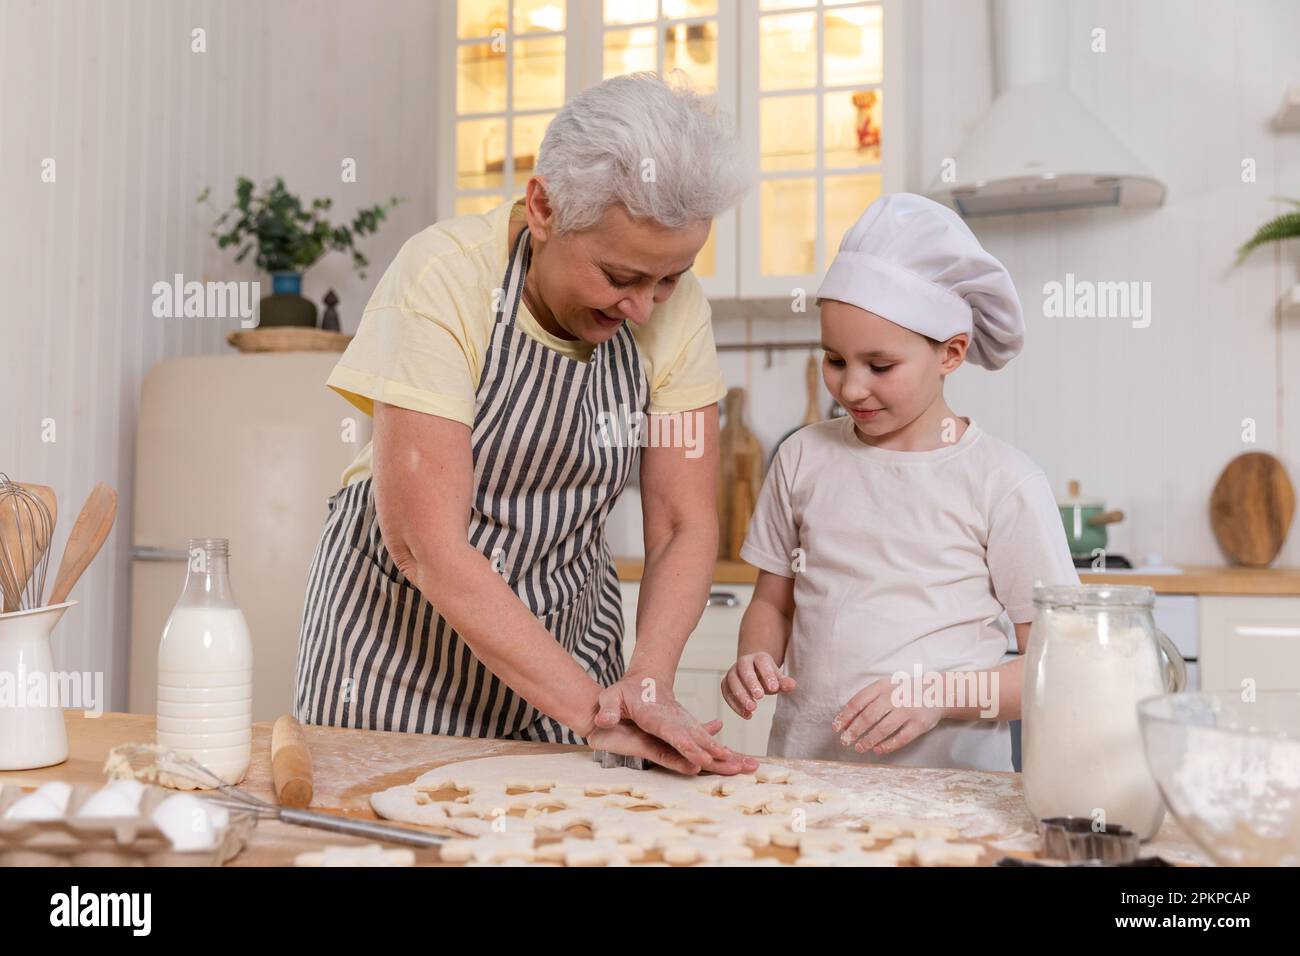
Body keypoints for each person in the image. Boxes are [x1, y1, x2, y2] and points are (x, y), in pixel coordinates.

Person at [295, 74, 757, 775]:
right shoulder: (446, 277)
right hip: (397, 652)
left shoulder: (676, 309)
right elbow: (427, 547)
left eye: (668, 279)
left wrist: (647, 682)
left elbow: (680, 524)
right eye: (619, 276)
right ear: (543, 208)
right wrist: (598, 715)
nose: (645, 308)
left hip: (568, 636)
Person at [723, 192, 1079, 771]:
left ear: (951, 353)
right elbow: (773, 602)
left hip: (951, 792)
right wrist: (754, 657)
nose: (852, 387)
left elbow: (1058, 667)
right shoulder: (801, 458)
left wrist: (937, 696)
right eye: (834, 360)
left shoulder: (1001, 481)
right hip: (810, 780)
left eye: (879, 366)